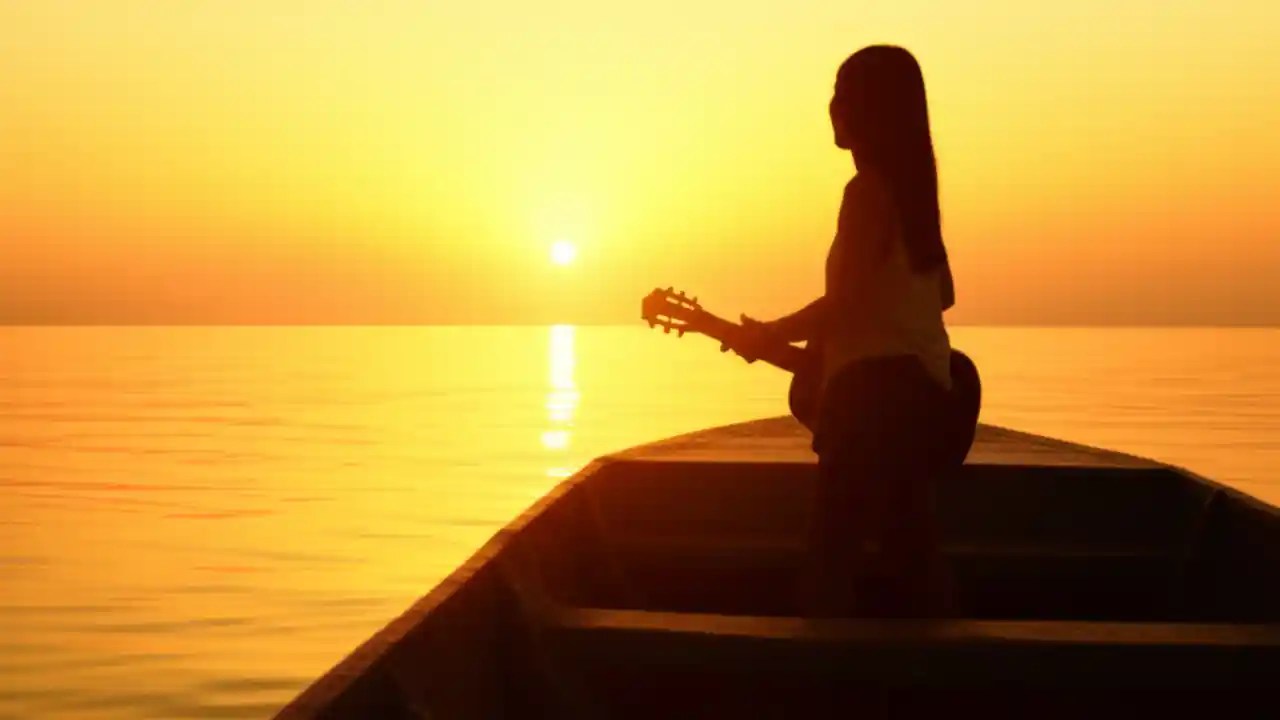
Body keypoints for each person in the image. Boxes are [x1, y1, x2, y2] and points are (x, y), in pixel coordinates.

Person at [738, 45, 956, 618]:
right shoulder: (915, 197)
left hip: (873, 401)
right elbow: (942, 296)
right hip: (930, 395)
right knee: (914, 557)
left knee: (828, 562)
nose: (832, 105)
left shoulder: (864, 195)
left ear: (874, 109)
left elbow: (849, 302)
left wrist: (770, 333)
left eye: (843, 92)